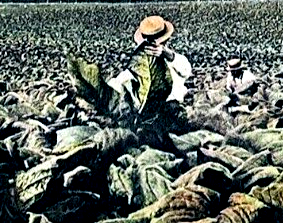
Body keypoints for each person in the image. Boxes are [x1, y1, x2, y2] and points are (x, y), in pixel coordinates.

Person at [68, 15, 192, 148]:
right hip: (145, 124)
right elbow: (113, 90)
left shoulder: (172, 63)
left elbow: (186, 70)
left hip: (168, 118)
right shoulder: (136, 70)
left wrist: (167, 53)